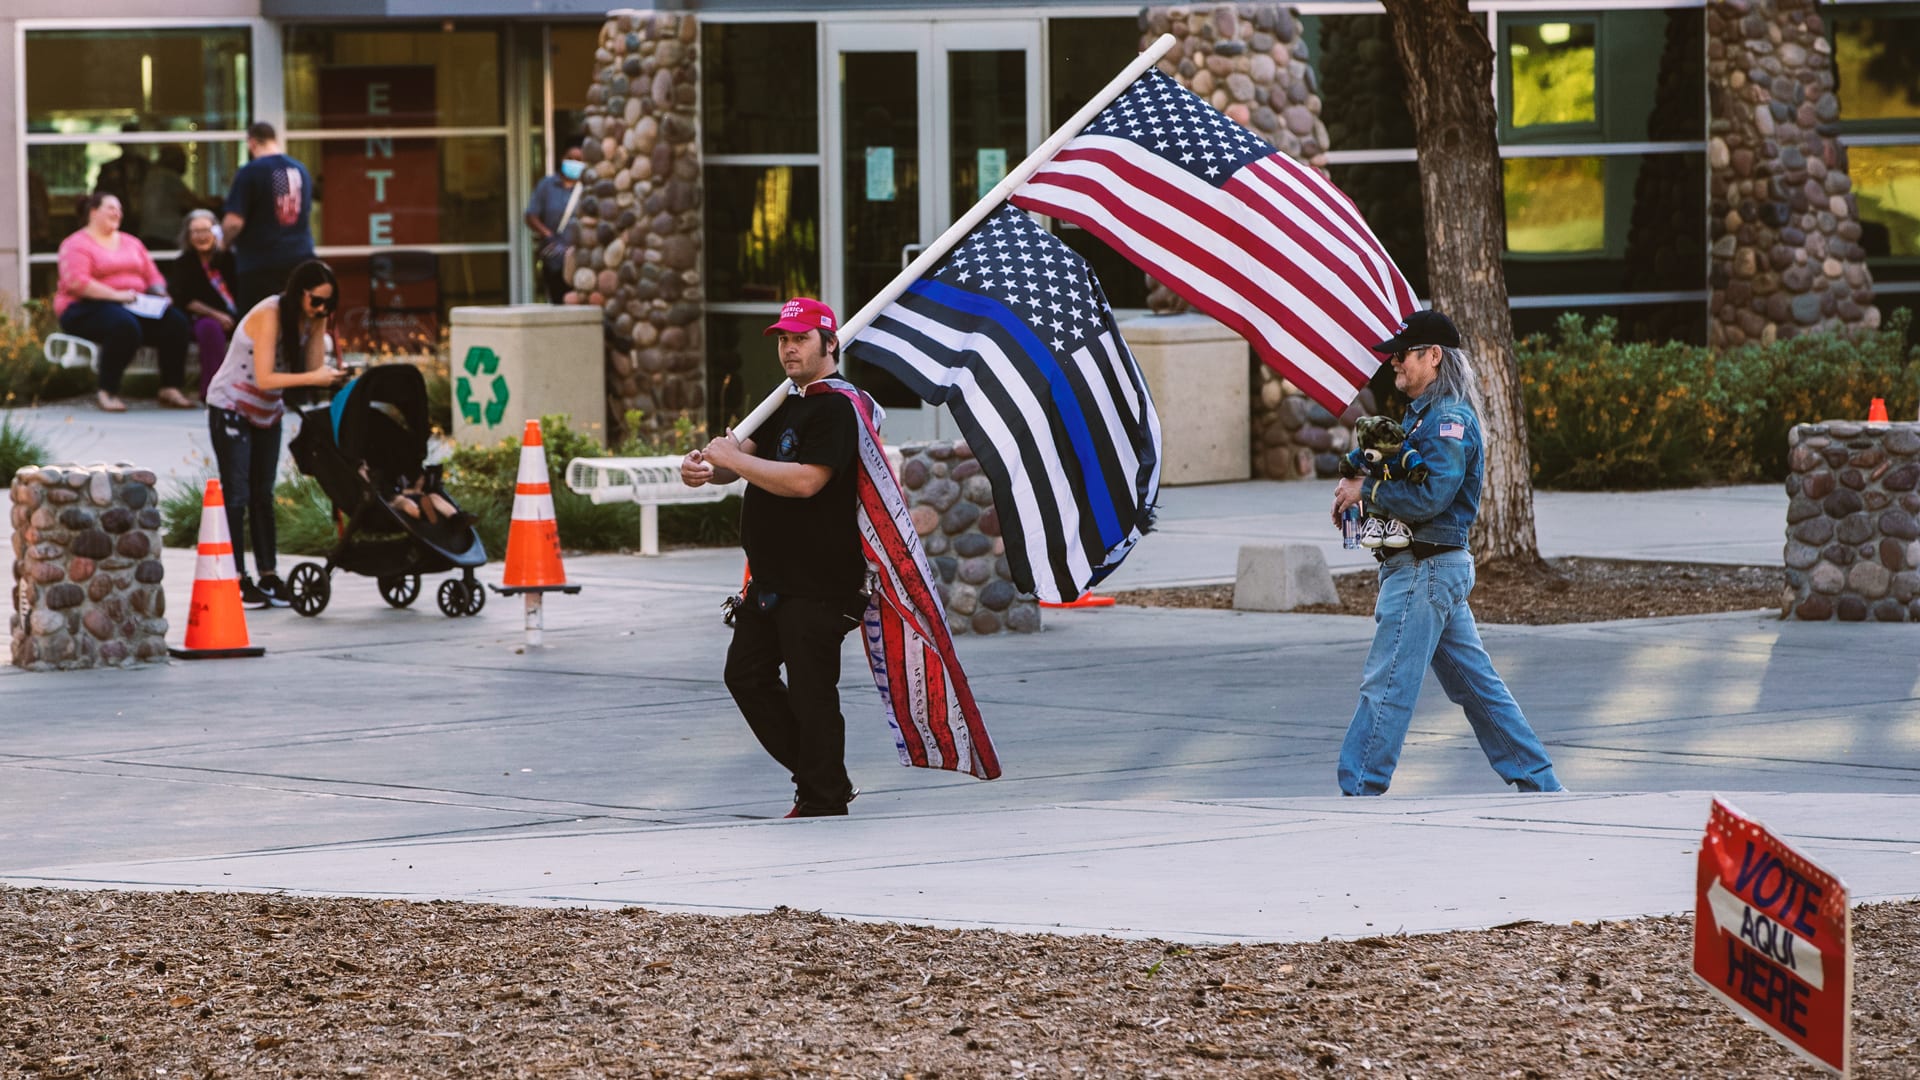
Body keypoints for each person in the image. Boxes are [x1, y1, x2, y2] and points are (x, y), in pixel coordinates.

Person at [1329, 309, 1564, 797]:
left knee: (1387, 683)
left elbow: (1431, 497)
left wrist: (1366, 491)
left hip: (1423, 569)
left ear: (1433, 356)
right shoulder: (1423, 418)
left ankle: (1358, 790)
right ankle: (1542, 786)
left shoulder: (1447, 420)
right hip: (1432, 570)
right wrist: (1362, 497)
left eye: (1402, 354)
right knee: (1477, 689)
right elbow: (1408, 487)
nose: (1393, 363)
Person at [680, 297, 869, 818]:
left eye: (801, 338)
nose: (789, 348)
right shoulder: (781, 400)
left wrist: (734, 460)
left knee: (812, 692)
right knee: (746, 675)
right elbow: (735, 461)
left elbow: (809, 480)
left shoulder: (838, 407)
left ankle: (823, 797)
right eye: (784, 339)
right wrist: (703, 470)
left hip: (821, 580)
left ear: (830, 343)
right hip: (770, 580)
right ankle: (820, 777)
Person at [205, 260, 347, 608]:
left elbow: (313, 370)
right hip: (231, 407)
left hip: (267, 412)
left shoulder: (314, 318)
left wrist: (330, 369)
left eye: (329, 303)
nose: (322, 308)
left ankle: (268, 574)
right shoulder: (269, 313)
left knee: (263, 495)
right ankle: (237, 578)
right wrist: (315, 379)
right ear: (300, 292)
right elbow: (267, 377)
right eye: (316, 301)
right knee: (236, 494)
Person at [53, 192, 196, 413]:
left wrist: (159, 293)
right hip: (84, 307)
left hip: (131, 304)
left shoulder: (132, 243)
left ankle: (170, 387)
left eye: (119, 208)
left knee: (175, 322)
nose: (117, 212)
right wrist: (116, 295)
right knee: (124, 326)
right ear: (93, 212)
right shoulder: (75, 244)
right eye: (111, 207)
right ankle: (107, 391)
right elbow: (77, 283)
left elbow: (153, 276)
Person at [222, 122, 315, 317]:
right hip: (300, 258)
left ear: (252, 143)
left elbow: (234, 222)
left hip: (260, 264)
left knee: (257, 328)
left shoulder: (250, 172)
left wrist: (223, 244)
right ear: (275, 139)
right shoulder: (301, 170)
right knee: (296, 323)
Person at [165, 209, 240, 400]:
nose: (201, 236)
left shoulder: (230, 259)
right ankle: (214, 392)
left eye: (206, 230)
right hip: (202, 318)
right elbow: (182, 297)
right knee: (210, 328)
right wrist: (217, 315)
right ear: (188, 236)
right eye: (195, 232)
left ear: (216, 232)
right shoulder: (184, 263)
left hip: (236, 315)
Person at [523, 144, 586, 304]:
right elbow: (531, 215)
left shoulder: (586, 189)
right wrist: (547, 234)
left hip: (578, 255)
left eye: (579, 160)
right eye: (570, 158)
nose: (574, 163)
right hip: (554, 252)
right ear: (562, 159)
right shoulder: (547, 185)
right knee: (557, 297)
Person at [138, 145, 199, 251]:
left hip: (147, 231)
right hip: (166, 234)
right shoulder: (169, 176)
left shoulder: (151, 174)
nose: (185, 164)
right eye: (182, 159)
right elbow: (191, 201)